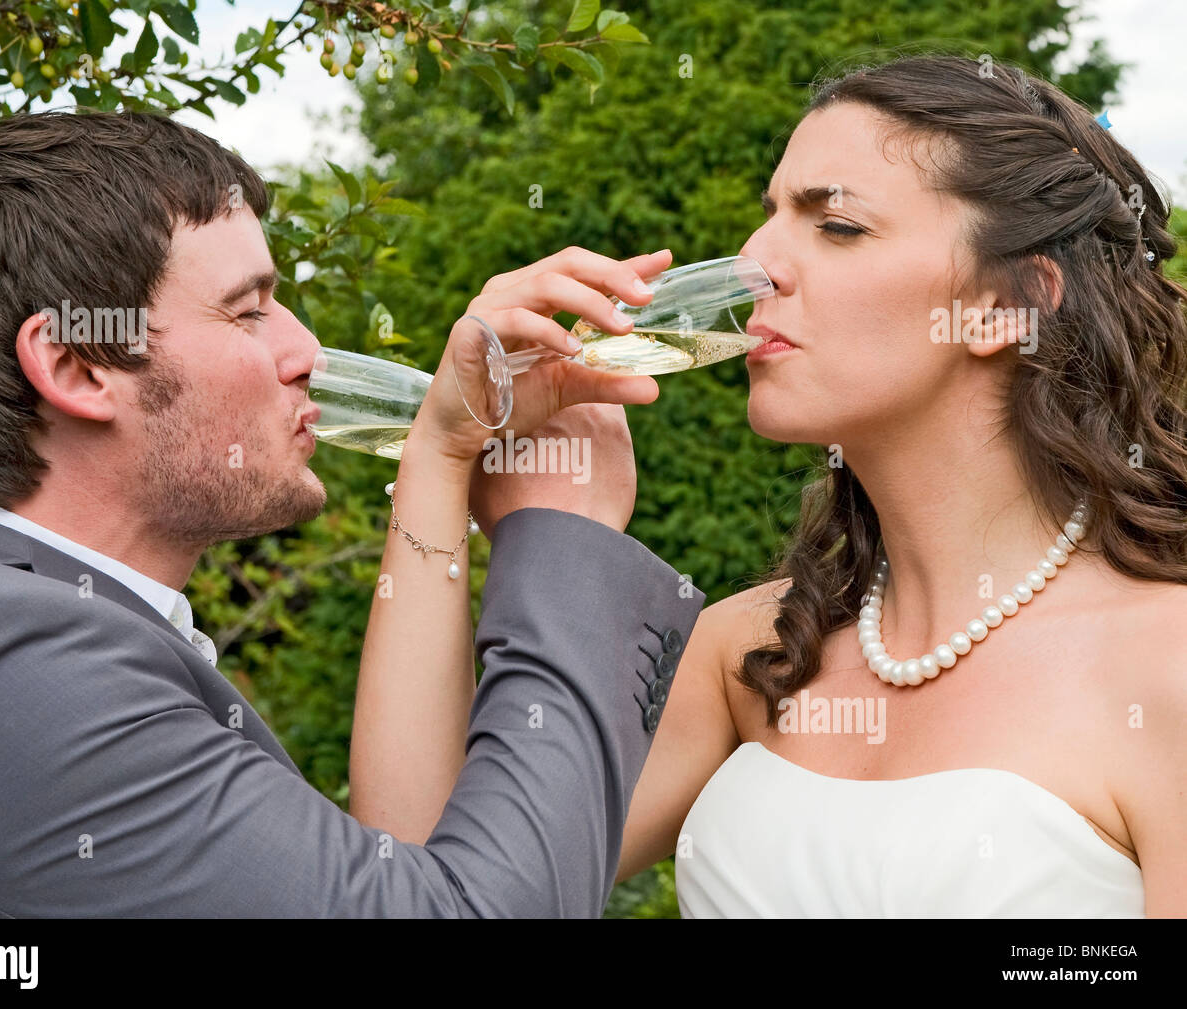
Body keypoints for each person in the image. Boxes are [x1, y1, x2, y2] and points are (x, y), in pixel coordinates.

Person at [366, 55, 1187, 917]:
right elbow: (424, 885)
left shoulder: (1164, 663)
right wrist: (440, 458)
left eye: (836, 226)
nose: (755, 260)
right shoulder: (749, 655)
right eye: (767, 219)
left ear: (1007, 304)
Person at [0, 110, 705, 917]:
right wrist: (569, 535)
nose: (306, 351)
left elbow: (411, 872)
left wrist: (441, 460)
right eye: (248, 309)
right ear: (75, 366)